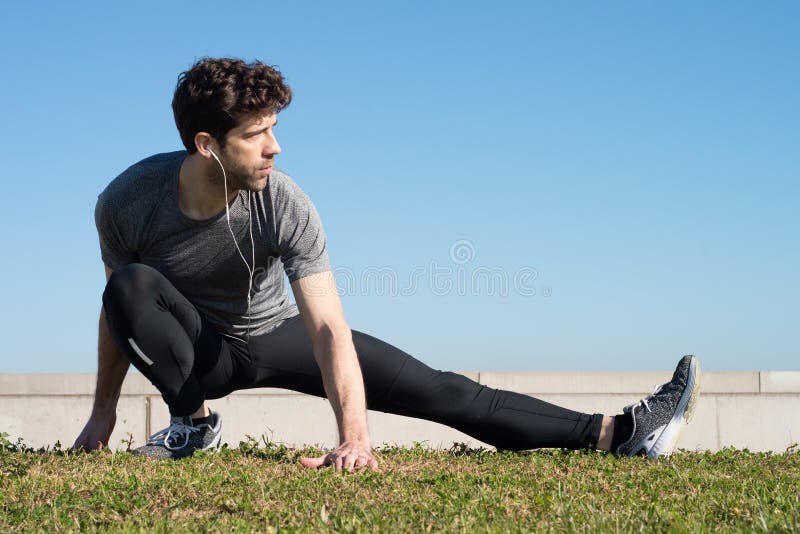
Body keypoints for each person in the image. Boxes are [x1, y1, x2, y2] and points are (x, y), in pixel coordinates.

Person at [72, 57, 701, 470]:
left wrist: (354, 435)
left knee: (442, 389)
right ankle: (193, 425)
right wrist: (102, 415)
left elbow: (325, 326)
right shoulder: (128, 202)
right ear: (207, 145)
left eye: (274, 128)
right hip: (195, 353)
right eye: (255, 135)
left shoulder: (284, 201)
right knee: (128, 284)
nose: (275, 147)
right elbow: (121, 316)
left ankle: (619, 433)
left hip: (272, 335)